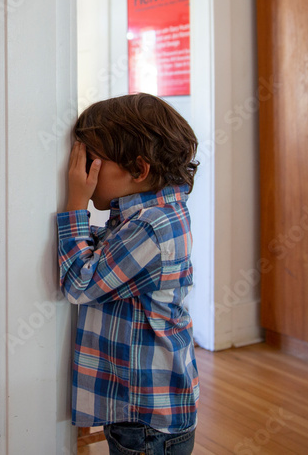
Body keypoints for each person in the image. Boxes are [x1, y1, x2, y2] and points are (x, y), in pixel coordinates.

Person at [57, 93, 200, 454]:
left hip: (147, 417)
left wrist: (75, 205)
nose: (83, 171)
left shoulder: (150, 227)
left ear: (139, 169)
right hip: (145, 408)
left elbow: (80, 282)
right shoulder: (153, 214)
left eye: (92, 160)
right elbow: (102, 256)